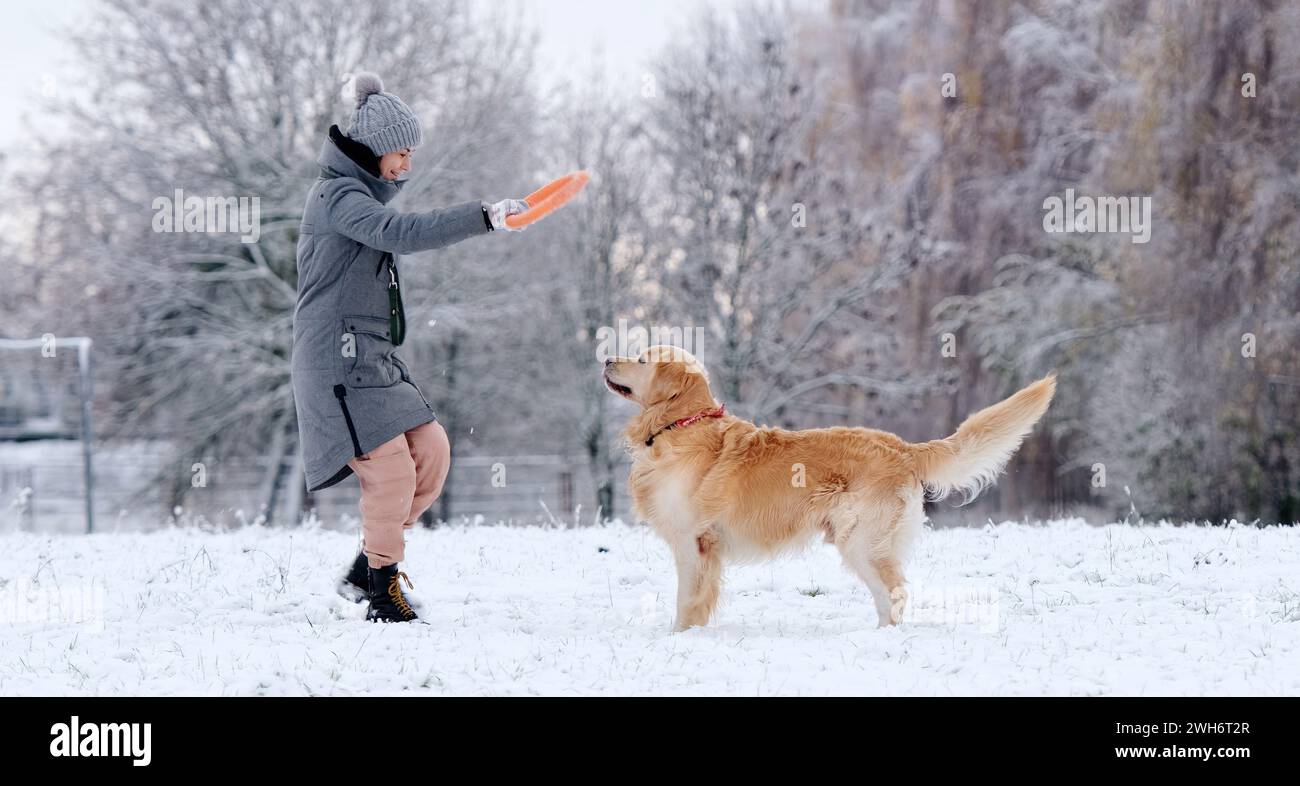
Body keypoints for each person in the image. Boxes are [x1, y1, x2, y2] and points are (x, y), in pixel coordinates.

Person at [292, 72, 528, 622]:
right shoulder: (337, 197)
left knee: (431, 449)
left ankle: (365, 570)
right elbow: (401, 233)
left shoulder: (355, 195)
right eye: (401, 152)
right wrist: (484, 217)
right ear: (375, 149)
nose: (407, 165)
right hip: (335, 362)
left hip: (371, 358)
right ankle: (382, 591)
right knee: (391, 470)